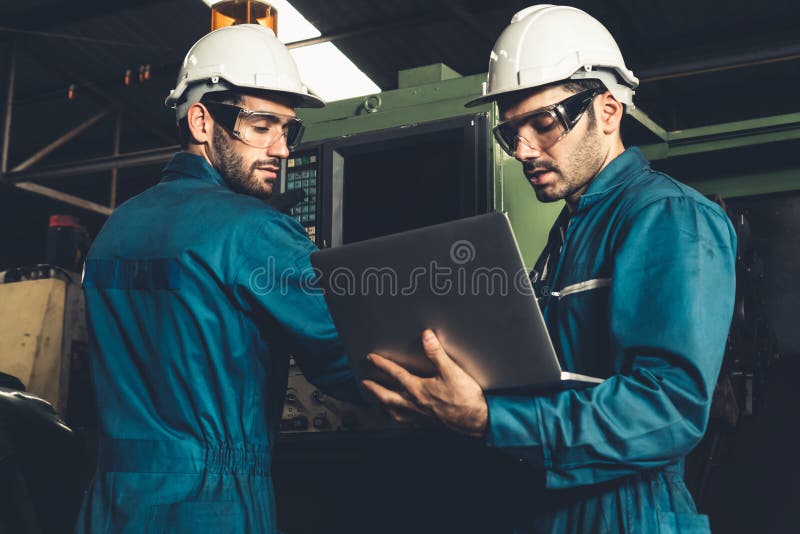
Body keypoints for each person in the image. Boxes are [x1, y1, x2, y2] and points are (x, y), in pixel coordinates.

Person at [362, 5, 737, 532]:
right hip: (544, 502)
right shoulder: (566, 234)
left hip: (626, 511)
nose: (522, 150)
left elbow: (669, 408)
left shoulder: (668, 216)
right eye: (511, 132)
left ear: (608, 112)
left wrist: (492, 419)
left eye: (543, 123)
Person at [75, 25, 357, 533]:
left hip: (112, 505)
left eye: (287, 129)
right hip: (213, 505)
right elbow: (347, 352)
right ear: (203, 122)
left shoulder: (111, 233)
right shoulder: (255, 230)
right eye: (261, 126)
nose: (282, 149)